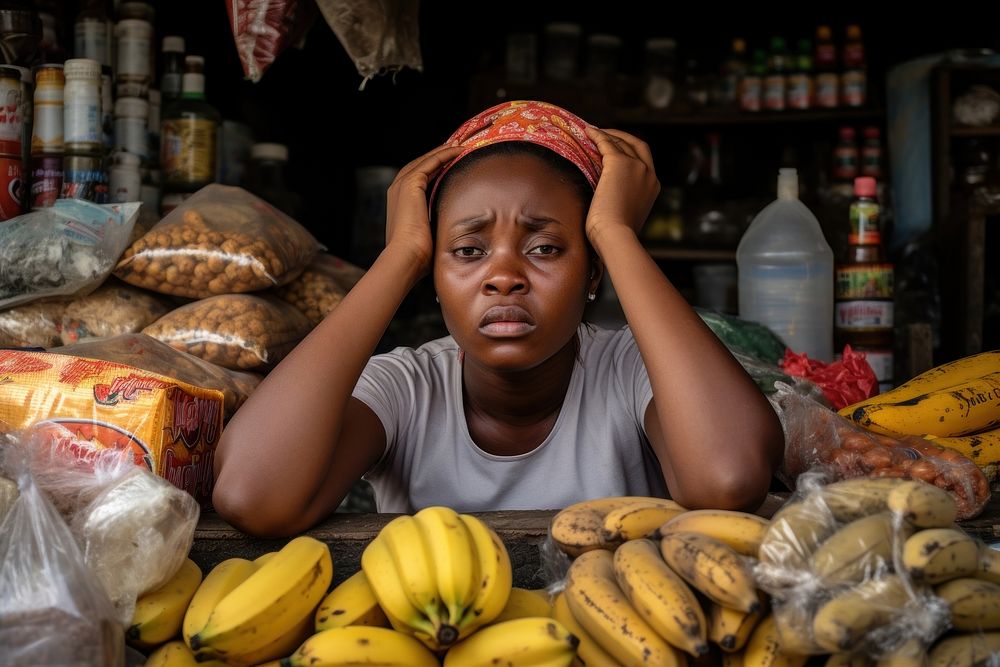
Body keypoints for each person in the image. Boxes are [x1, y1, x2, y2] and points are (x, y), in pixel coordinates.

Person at [213, 100, 784, 537]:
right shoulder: (407, 387)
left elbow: (727, 481)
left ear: (593, 276)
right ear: (433, 279)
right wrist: (399, 256)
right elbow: (252, 494)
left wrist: (615, 234)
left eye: (545, 249)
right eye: (467, 251)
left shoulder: (635, 373)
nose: (503, 276)